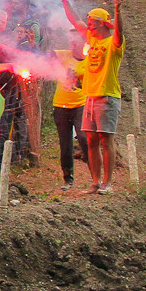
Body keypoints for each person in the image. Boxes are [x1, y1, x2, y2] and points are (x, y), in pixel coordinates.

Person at [57, 0, 125, 193]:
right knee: (91, 140)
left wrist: (117, 10)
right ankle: (95, 182)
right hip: (89, 97)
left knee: (106, 139)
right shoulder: (92, 40)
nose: (88, 27)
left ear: (102, 24)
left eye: (92, 23)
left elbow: (119, 34)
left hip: (107, 97)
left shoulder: (112, 44)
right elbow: (74, 19)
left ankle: (107, 183)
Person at [52, 36, 88, 191]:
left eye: (75, 41)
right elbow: (43, 56)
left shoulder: (89, 60)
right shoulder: (63, 55)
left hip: (81, 103)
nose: (72, 44)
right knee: (65, 143)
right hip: (61, 104)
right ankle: (68, 179)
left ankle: (94, 171)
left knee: (83, 136)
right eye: (71, 41)